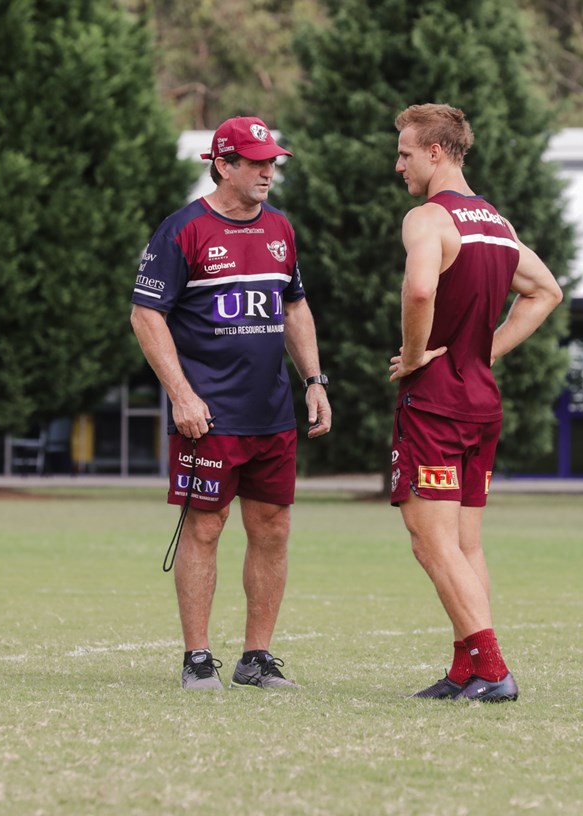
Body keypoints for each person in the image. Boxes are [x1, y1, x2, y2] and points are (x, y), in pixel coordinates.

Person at [131, 116, 332, 691]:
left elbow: (294, 308)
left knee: (272, 529)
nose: (269, 171)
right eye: (258, 161)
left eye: (273, 162)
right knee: (206, 526)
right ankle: (197, 657)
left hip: (272, 414)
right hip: (208, 416)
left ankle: (256, 658)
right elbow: (146, 316)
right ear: (224, 164)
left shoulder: (280, 230)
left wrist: (314, 380)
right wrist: (182, 395)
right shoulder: (182, 230)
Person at [387, 104, 563, 703]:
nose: (400, 163)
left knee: (429, 540)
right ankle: (465, 671)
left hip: (435, 403)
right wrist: (483, 351)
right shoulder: (495, 223)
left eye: (406, 152)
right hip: (480, 401)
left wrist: (413, 356)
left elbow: (419, 288)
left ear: (436, 152)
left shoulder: (427, 220)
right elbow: (546, 292)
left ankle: (492, 669)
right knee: (465, 544)